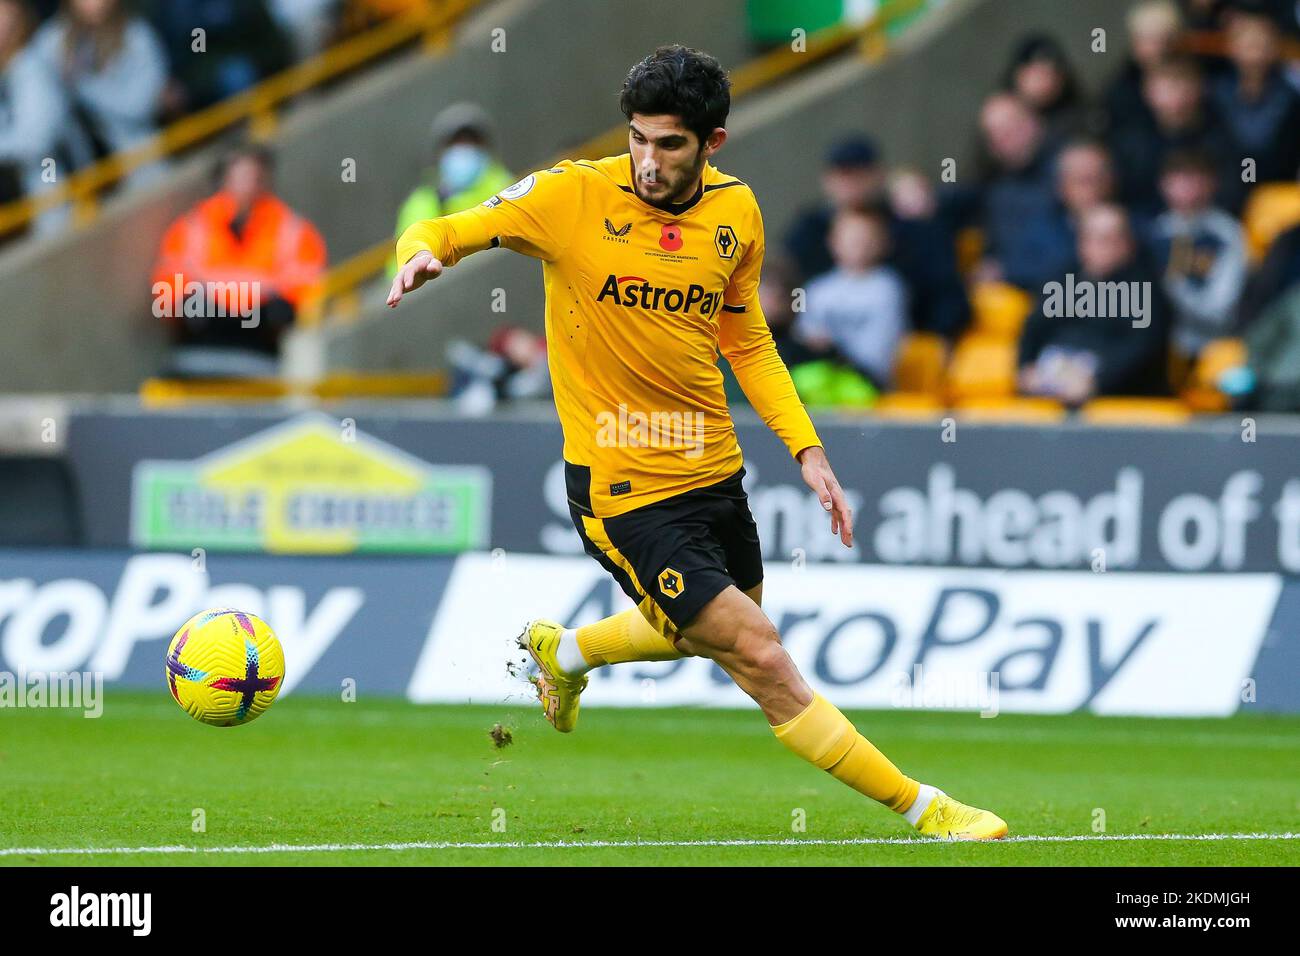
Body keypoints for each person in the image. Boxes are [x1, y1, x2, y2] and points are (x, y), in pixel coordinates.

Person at [389, 44, 1007, 841]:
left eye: (669, 143)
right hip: (623, 488)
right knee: (760, 654)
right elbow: (446, 225)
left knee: (704, 631)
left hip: (713, 469)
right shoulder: (572, 195)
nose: (647, 160)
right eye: (638, 138)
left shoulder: (736, 213)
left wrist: (808, 452)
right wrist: (420, 255)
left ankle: (566, 652)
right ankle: (928, 810)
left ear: (712, 142)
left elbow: (747, 340)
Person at [151, 144, 326, 374]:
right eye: (239, 175)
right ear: (223, 178)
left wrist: (263, 312)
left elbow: (305, 292)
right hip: (200, 345)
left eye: (254, 176)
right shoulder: (194, 227)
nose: (247, 185)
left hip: (263, 349)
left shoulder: (292, 230)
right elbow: (167, 291)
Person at [1019, 204, 1171, 404]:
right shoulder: (1062, 280)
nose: (1101, 246)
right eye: (1093, 238)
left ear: (1128, 244)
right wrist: (1025, 368)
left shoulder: (1145, 288)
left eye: (1110, 239)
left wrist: (1096, 381)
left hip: (1119, 394)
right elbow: (1034, 329)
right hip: (1054, 380)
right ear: (1081, 243)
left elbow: (1142, 350)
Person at [30, 0, 166, 173]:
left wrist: (81, 83)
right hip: (75, 169)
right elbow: (41, 120)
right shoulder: (49, 41)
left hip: (140, 159)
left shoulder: (136, 33)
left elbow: (141, 106)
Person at [794, 204, 908, 393]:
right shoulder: (817, 288)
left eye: (866, 239)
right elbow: (805, 336)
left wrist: (839, 354)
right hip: (821, 373)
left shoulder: (889, 287)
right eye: (851, 239)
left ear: (882, 243)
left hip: (867, 380)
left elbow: (883, 350)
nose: (859, 246)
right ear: (833, 242)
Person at [389, 102, 514, 274]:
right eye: (456, 143)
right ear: (441, 153)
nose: (463, 150)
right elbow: (402, 261)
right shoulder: (423, 201)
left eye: (471, 142)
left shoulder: (506, 188)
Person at [1146, 150, 1247, 360]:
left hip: (1211, 344)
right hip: (1157, 343)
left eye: (1194, 179)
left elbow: (1221, 310)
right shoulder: (1154, 233)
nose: (1186, 188)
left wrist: (1172, 292)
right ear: (1163, 185)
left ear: (1212, 184)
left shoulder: (1226, 233)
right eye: (1178, 179)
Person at [0, 0, 69, 233]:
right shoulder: (8, 72)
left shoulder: (31, 66)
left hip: (55, 186)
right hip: (27, 198)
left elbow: (38, 140)